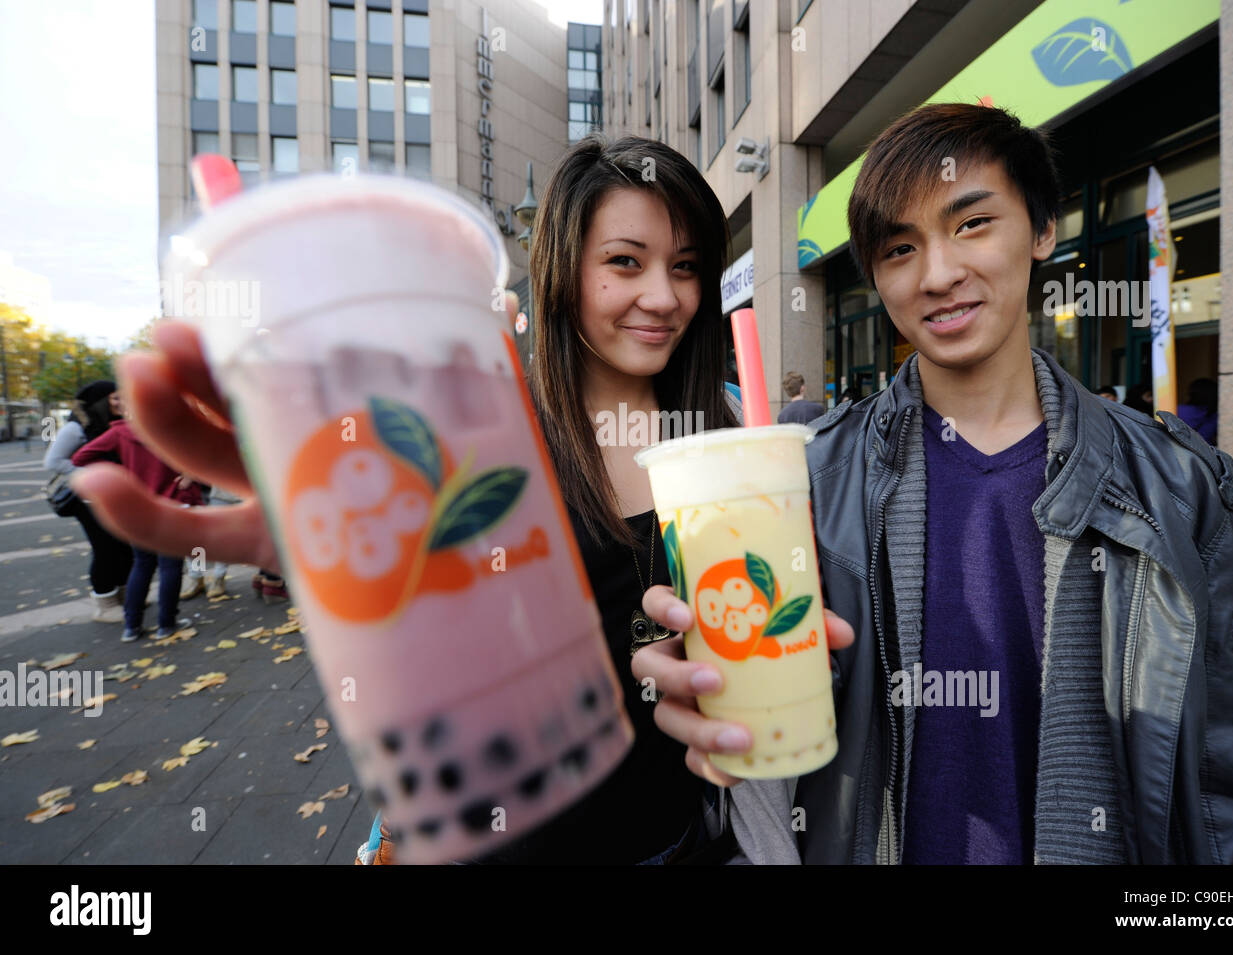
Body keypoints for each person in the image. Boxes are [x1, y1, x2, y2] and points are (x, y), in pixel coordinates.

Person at [71, 135, 743, 865]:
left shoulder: (729, 434)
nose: (663, 295)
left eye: (686, 267)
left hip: (675, 837)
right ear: (564, 274)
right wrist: (358, 570)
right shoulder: (485, 440)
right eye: (624, 261)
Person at [633, 102, 1233, 864]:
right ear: (875, 275)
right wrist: (717, 697)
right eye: (900, 247)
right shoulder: (804, 482)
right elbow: (772, 761)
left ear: (1041, 230)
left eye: (971, 224)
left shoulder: (1179, 484)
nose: (938, 275)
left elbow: (1213, 783)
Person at [72, 414, 203, 641]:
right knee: (170, 566)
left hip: (137, 507)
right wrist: (190, 472)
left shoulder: (120, 432)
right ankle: (166, 624)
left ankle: (131, 627)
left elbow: (80, 457)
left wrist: (119, 472)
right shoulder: (172, 427)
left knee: (141, 565)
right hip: (171, 505)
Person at [43, 380, 134, 623]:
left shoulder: (112, 424)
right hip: (89, 500)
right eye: (115, 398)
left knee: (123, 547)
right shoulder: (75, 428)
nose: (121, 403)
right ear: (101, 402)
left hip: (115, 497)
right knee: (105, 548)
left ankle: (123, 597)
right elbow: (53, 461)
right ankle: (104, 604)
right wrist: (91, 476)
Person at [1177, 377, 1218, 446]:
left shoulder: (1177, 409)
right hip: (1205, 453)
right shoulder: (1215, 415)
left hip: (1179, 452)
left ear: (1191, 393)